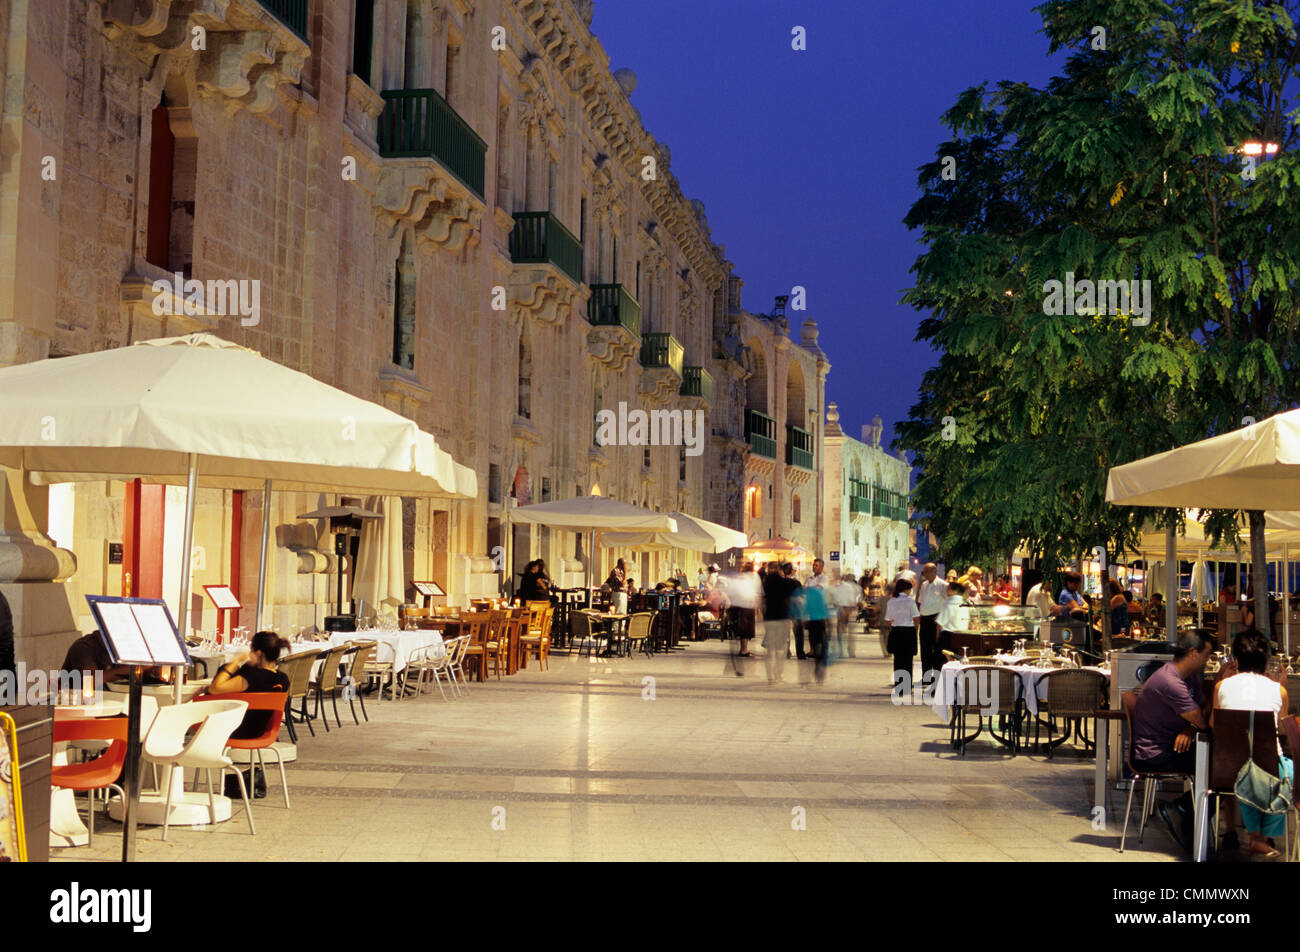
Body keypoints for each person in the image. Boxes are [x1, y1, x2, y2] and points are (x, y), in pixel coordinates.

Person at [1131, 629, 1218, 850]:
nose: (1209, 660)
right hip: (1155, 753)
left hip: (1174, 743)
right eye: (1207, 654)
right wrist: (1219, 684)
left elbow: (1201, 714)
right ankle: (1185, 812)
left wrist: (1189, 729)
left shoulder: (1189, 677)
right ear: (1193, 653)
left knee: (1221, 766)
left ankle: (1188, 817)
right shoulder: (1171, 681)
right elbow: (1203, 720)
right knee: (1222, 771)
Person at [1212, 629, 1291, 857]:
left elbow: (1213, 723)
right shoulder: (1279, 691)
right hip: (1268, 771)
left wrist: (1220, 679)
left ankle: (1232, 831)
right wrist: (1282, 686)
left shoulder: (1221, 687)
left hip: (1225, 771)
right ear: (1266, 661)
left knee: (1237, 760)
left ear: (1236, 660)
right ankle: (1263, 836)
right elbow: (1283, 728)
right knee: (1287, 772)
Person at [208, 630, 291, 798]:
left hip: (238, 731)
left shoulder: (251, 678)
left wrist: (237, 660)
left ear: (258, 653)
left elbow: (215, 688)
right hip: (263, 732)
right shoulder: (282, 679)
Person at [761, 562, 800, 683]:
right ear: (780, 570)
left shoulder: (766, 583)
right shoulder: (784, 583)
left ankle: (770, 676)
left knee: (770, 649)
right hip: (782, 618)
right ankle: (779, 674)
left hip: (770, 619)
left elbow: (762, 599)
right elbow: (796, 586)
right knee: (780, 649)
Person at [885, 577, 921, 697]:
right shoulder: (910, 601)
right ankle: (906, 687)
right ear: (907, 589)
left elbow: (888, 620)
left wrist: (894, 626)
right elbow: (916, 617)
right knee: (907, 660)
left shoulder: (891, 601)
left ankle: (899, 685)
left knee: (898, 660)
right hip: (908, 631)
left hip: (896, 631)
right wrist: (915, 629)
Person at [916, 563, 946, 688]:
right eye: (923, 572)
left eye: (926, 572)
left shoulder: (942, 585)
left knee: (936, 649)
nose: (924, 575)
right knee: (925, 648)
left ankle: (937, 675)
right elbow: (920, 602)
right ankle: (926, 675)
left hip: (936, 619)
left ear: (933, 571)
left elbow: (946, 603)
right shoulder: (924, 585)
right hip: (925, 619)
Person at [729, 561, 761, 658]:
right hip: (748, 605)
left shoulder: (740, 576)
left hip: (741, 605)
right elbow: (758, 591)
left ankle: (744, 649)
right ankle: (743, 650)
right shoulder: (754, 576)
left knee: (744, 628)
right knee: (746, 629)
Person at [832, 572, 862, 659]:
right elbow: (859, 600)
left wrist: (842, 611)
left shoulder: (839, 587)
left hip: (842, 609)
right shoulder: (857, 588)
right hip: (852, 609)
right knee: (851, 633)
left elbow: (836, 600)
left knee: (840, 632)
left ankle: (841, 652)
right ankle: (852, 652)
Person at [935, 581, 969, 656]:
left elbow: (940, 623)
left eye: (948, 589)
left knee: (943, 661)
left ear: (955, 591)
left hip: (948, 636)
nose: (946, 591)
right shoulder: (965, 602)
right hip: (963, 635)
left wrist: (937, 638)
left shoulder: (950, 601)